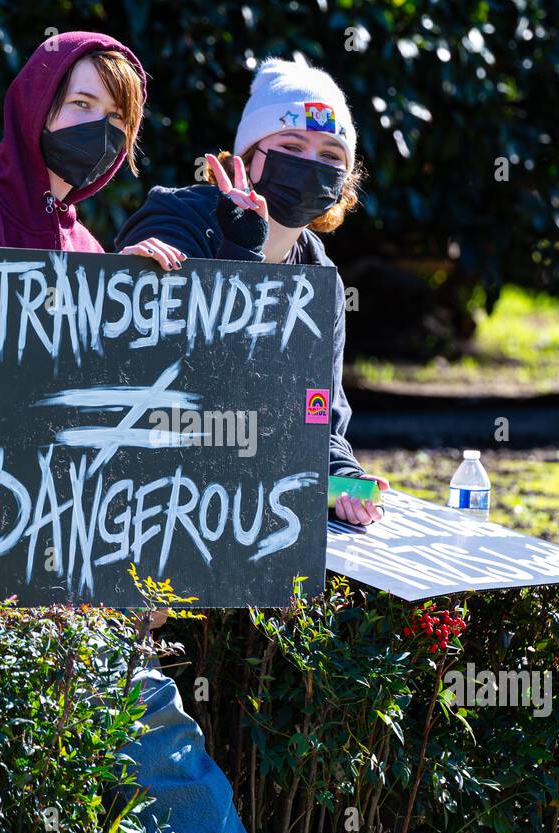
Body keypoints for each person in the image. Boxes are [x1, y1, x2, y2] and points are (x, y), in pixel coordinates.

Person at [0, 32, 252, 833]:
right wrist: (95, 307)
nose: (97, 129)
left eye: (117, 118)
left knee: (130, 727)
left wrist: (131, 555)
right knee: (104, 716)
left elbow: (114, 423)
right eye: (78, 105)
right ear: (34, 105)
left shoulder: (80, 243)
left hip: (59, 515)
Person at [116, 57, 388, 525]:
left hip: (244, 508)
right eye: (292, 145)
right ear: (248, 156)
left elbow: (317, 413)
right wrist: (239, 255)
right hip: (145, 495)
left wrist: (341, 476)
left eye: (330, 156)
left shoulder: (320, 275)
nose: (310, 164)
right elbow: (169, 378)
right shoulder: (175, 221)